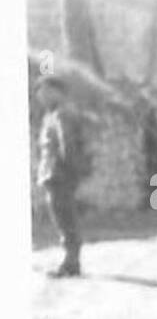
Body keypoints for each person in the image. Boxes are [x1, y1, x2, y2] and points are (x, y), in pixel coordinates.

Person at [35, 75, 91, 278]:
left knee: (65, 219)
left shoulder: (62, 114)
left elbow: (68, 145)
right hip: (54, 174)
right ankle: (71, 261)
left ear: (58, 92)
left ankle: (71, 263)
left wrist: (69, 172)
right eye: (40, 92)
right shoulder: (54, 114)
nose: (41, 96)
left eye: (46, 91)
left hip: (59, 174)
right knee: (62, 218)